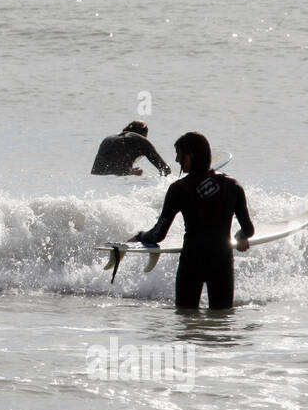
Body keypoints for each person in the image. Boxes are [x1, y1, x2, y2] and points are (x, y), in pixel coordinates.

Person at [131, 131, 253, 311]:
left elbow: (158, 235)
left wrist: (141, 236)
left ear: (191, 155)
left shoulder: (179, 189)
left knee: (187, 323)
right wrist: (239, 236)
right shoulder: (232, 185)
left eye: (179, 154)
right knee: (221, 323)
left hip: (192, 263)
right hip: (222, 263)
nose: (176, 160)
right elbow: (249, 230)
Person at [91, 121, 171, 176]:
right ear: (143, 134)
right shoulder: (141, 140)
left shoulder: (107, 139)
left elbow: (98, 171)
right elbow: (165, 168)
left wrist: (129, 171)